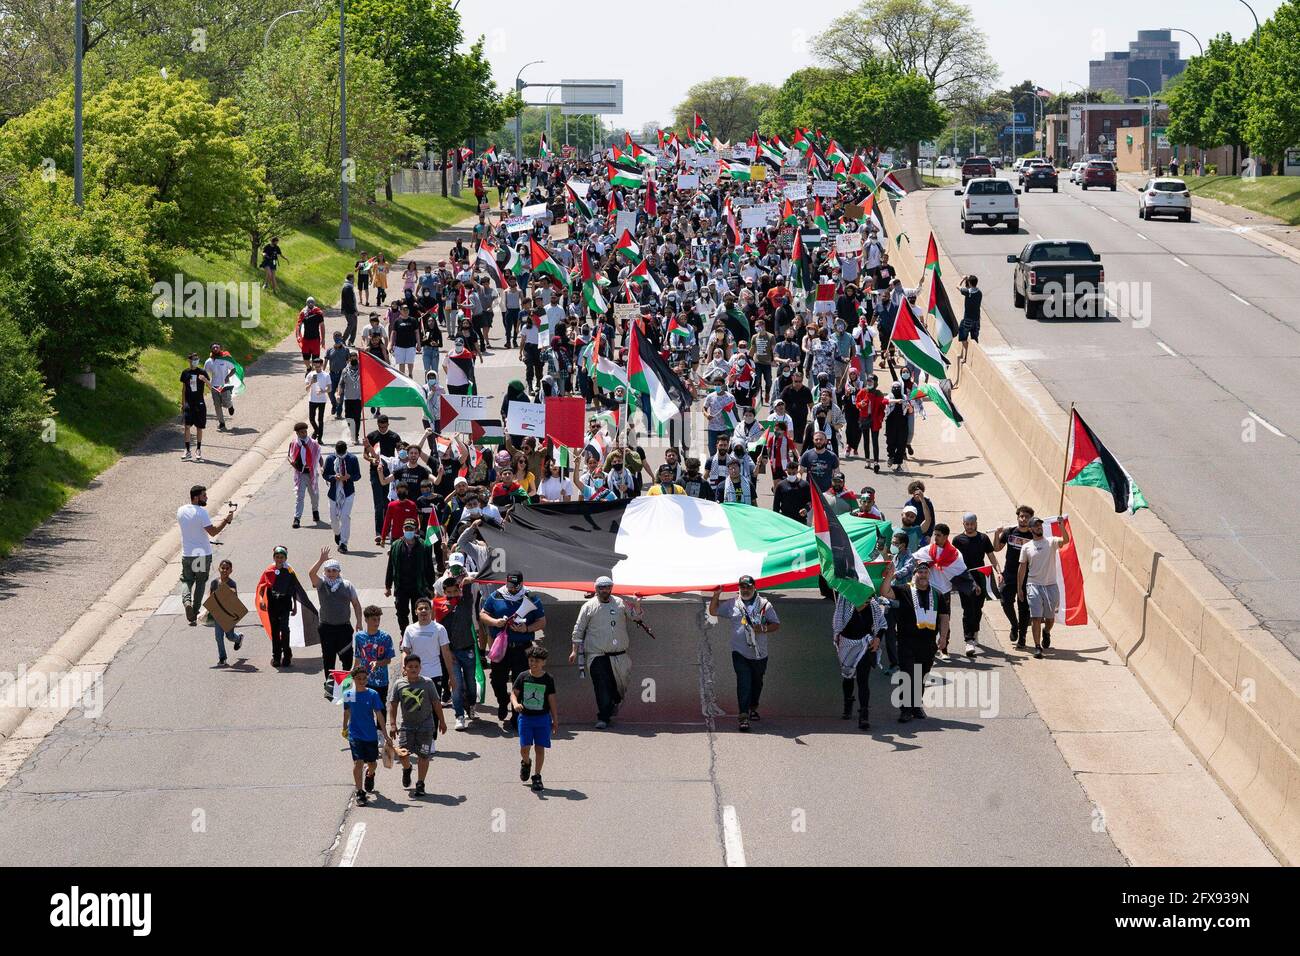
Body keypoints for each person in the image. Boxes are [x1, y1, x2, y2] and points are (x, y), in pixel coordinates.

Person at [709, 575, 780, 732]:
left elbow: (776, 624)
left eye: (748, 587)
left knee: (757, 683)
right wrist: (716, 595)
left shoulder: (764, 605)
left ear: (754, 587)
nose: (745, 590)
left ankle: (753, 706)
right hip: (739, 652)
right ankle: (743, 716)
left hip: (759, 654)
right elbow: (713, 611)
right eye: (742, 587)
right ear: (739, 588)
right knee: (743, 682)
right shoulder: (733, 604)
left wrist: (764, 628)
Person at [570, 576, 643, 728]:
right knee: (602, 685)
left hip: (620, 655)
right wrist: (574, 651)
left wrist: (636, 605)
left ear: (611, 588)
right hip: (597, 655)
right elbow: (579, 629)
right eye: (601, 588)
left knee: (619, 686)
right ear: (596, 589)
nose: (604, 590)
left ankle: (613, 703)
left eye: (607, 587)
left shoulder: (620, 603)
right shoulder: (588, 606)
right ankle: (603, 717)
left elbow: (636, 617)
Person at [480, 572, 547, 732]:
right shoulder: (496, 596)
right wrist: (495, 622)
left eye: (516, 586)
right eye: (510, 585)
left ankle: (516, 716)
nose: (513, 589)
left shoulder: (531, 597)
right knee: (497, 679)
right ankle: (503, 701)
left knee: (522, 681)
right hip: (501, 647)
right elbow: (483, 614)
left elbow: (542, 621)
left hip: (522, 647)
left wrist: (527, 628)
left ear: (522, 583)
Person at [882, 556, 938, 723]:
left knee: (921, 676)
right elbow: (885, 592)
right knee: (907, 674)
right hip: (906, 641)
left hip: (927, 643)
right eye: (919, 571)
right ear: (914, 574)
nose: (922, 574)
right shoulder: (903, 590)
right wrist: (889, 576)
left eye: (925, 572)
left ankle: (916, 706)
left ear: (929, 575)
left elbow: (944, 616)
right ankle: (905, 710)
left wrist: (943, 637)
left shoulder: (936, 594)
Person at [388, 655, 446, 797]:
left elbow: (436, 703)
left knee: (424, 756)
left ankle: (420, 783)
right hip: (407, 726)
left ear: (420, 668)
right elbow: (393, 704)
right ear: (405, 668)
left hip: (426, 726)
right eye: (410, 667)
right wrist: (393, 724)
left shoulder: (427, 683)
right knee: (402, 754)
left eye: (416, 667)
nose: (413, 669)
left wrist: (442, 721)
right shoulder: (399, 684)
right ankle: (407, 768)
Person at [177, 484, 233, 626]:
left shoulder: (181, 511)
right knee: (200, 582)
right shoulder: (201, 513)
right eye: (204, 495)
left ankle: (187, 602)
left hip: (187, 553)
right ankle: (194, 612)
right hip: (201, 554)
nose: (206, 497)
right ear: (196, 498)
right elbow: (213, 532)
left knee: (186, 581)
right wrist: (226, 520)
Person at [308, 549, 363, 695]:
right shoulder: (321, 584)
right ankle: (330, 687)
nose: (331, 573)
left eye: (334, 570)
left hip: (344, 627)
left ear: (339, 571)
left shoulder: (347, 585)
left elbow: (356, 604)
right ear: (325, 572)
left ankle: (344, 687)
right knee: (328, 659)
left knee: (346, 658)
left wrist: (359, 622)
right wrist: (321, 560)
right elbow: (311, 574)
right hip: (326, 628)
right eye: (328, 571)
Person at [1017, 515, 1071, 659]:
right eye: (1035, 525)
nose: (1038, 527)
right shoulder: (1026, 547)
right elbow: (1022, 569)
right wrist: (1019, 588)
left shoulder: (1051, 541)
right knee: (1036, 617)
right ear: (1030, 529)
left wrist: (1061, 526)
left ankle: (1046, 632)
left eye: (1040, 525)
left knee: (1050, 617)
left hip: (1050, 586)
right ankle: (1037, 646)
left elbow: (1066, 540)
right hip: (1033, 585)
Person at [914, 523, 967, 661]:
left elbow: (962, 572)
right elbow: (914, 558)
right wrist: (922, 562)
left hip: (944, 592)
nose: (935, 538)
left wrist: (973, 586)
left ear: (946, 537)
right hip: (929, 591)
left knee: (944, 620)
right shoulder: (928, 550)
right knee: (928, 619)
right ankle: (929, 647)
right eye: (934, 535)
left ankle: (944, 648)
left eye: (938, 535)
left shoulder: (955, 554)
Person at [511, 645, 558, 792]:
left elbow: (551, 700)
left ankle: (537, 776)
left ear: (543, 662)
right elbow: (513, 693)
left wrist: (555, 719)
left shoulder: (548, 679)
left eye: (537, 661)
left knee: (539, 748)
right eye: (531, 661)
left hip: (542, 719)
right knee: (525, 748)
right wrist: (516, 704)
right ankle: (526, 763)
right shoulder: (523, 677)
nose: (533, 664)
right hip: (525, 718)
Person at [952, 513, 998, 658]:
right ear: (963, 524)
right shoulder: (958, 540)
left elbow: (991, 556)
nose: (970, 526)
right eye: (967, 524)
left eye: (972, 524)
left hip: (981, 575)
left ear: (976, 523)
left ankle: (975, 630)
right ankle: (969, 640)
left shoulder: (983, 538)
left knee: (978, 608)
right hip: (965, 577)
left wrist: (999, 572)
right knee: (967, 609)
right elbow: (952, 558)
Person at [833, 591, 881, 730]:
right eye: (863, 598)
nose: (866, 601)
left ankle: (864, 714)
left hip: (865, 645)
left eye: (869, 598)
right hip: (847, 646)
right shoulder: (844, 605)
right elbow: (837, 624)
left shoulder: (873, 607)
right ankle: (848, 703)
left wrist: (877, 638)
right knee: (848, 677)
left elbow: (882, 625)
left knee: (863, 679)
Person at [341, 664, 388, 806]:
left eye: (364, 678)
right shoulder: (349, 694)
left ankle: (370, 773)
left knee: (372, 763)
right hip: (355, 734)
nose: (362, 681)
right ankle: (360, 792)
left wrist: (385, 734)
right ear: (353, 680)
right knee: (358, 762)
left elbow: (379, 714)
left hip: (370, 735)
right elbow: (347, 712)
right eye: (358, 678)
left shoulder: (373, 694)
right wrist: (344, 727)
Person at [437, 576, 479, 728]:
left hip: (468, 650)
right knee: (456, 685)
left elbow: (468, 584)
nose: (453, 594)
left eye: (455, 591)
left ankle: (472, 705)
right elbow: (440, 634)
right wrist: (448, 653)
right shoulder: (440, 606)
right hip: (451, 653)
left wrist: (466, 580)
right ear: (444, 592)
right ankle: (459, 715)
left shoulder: (466, 601)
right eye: (449, 592)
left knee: (471, 683)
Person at [992, 505, 1036, 648]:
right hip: (1009, 574)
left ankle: (1022, 637)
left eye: (1026, 517)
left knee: (1024, 608)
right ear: (1017, 517)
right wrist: (996, 534)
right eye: (1021, 516)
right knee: (1005, 601)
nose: (1023, 519)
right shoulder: (1009, 532)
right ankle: (1014, 624)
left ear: (1030, 519)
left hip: (1027, 577)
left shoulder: (1033, 535)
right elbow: (997, 548)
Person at [259, 545, 308, 668]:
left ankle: (287, 655)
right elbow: (262, 587)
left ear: (285, 558)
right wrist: (261, 599)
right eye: (277, 557)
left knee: (284, 629)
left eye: (282, 557)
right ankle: (276, 656)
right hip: (273, 604)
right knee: (275, 630)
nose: (279, 559)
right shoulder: (269, 570)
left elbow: (294, 589)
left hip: (285, 603)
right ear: (274, 557)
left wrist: (295, 605)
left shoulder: (290, 572)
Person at [385, 518, 437, 634]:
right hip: (401, 586)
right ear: (403, 529)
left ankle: (417, 634)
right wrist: (388, 586)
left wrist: (431, 587)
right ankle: (404, 634)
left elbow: (429, 568)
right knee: (401, 613)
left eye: (411, 529)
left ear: (416, 530)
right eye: (406, 528)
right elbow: (390, 567)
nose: (409, 531)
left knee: (417, 612)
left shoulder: (424, 546)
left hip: (418, 586)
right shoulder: (396, 545)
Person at [401, 596, 454, 700]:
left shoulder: (439, 629)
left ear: (431, 610)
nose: (423, 611)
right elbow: (405, 652)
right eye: (420, 609)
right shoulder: (409, 629)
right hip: (415, 674)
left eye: (426, 608)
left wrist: (451, 675)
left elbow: (446, 653)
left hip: (435, 673)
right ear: (416, 612)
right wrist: (404, 668)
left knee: (435, 708)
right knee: (418, 707)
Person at [353, 604, 395, 706]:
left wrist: (378, 663)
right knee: (365, 708)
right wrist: (353, 674)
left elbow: (388, 660)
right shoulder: (359, 637)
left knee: (380, 708)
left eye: (378, 619)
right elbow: (358, 657)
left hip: (381, 680)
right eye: (374, 620)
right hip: (363, 680)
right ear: (366, 620)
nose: (377, 623)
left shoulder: (385, 637)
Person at [207, 559, 244, 666]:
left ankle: (238, 638)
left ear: (231, 571)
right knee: (218, 637)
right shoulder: (214, 582)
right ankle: (222, 658)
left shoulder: (232, 583)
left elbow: (234, 599)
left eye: (227, 568)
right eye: (223, 568)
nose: (224, 570)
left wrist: (231, 592)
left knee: (230, 636)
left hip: (228, 614)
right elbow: (210, 596)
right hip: (218, 614)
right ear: (219, 568)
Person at [288, 422, 321, 529]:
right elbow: (289, 456)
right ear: (297, 433)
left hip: (312, 473)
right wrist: (292, 463)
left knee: (314, 495)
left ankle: (315, 511)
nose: (304, 433)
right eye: (301, 432)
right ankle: (297, 518)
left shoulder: (313, 443)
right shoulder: (294, 443)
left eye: (305, 431)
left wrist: (322, 467)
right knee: (300, 497)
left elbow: (319, 456)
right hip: (300, 474)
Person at [179, 352, 209, 462]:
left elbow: (211, 388)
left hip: (199, 403)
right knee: (187, 426)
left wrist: (205, 380)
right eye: (194, 359)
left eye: (197, 359)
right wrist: (183, 404)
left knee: (199, 427)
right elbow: (184, 389)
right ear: (189, 360)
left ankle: (198, 450)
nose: (196, 361)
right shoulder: (185, 373)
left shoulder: (202, 372)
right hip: (188, 403)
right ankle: (187, 451)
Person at [204, 343, 236, 432]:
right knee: (217, 405)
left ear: (220, 348)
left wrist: (228, 376)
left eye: (216, 347)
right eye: (213, 347)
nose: (215, 348)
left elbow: (233, 369)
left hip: (225, 385)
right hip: (214, 386)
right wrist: (207, 383)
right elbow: (205, 374)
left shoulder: (225, 360)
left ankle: (230, 406)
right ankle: (221, 423)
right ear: (211, 349)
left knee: (226, 403)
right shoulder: (208, 361)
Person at [306, 356, 331, 441]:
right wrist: (311, 383)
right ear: (313, 365)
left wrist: (323, 391)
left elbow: (329, 388)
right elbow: (306, 389)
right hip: (312, 400)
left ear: (321, 365)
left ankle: (320, 438)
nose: (316, 367)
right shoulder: (310, 375)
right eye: (315, 365)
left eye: (318, 365)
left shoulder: (326, 375)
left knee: (320, 419)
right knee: (311, 419)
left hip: (322, 400)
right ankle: (316, 431)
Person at [958, 275, 982, 364]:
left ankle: (965, 357)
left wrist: (963, 278)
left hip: (968, 319)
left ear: (970, 283)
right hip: (976, 320)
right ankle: (975, 357)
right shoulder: (979, 293)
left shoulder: (967, 292)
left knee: (963, 336)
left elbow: (958, 286)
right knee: (974, 338)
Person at [297, 297, 326, 362]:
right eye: (309, 302)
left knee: (315, 359)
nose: (310, 303)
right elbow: (299, 325)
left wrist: (323, 338)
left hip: (315, 339)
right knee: (305, 358)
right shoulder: (303, 313)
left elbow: (322, 326)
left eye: (312, 302)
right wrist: (298, 335)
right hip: (306, 339)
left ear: (314, 303)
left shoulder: (318, 313)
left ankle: (313, 371)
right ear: (306, 303)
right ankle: (309, 368)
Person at [340, 274, 359, 346]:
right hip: (349, 310)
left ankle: (351, 342)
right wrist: (354, 310)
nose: (354, 280)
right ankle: (343, 340)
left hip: (352, 309)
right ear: (351, 278)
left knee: (354, 325)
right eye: (353, 278)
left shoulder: (349, 287)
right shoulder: (347, 287)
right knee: (351, 324)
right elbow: (349, 301)